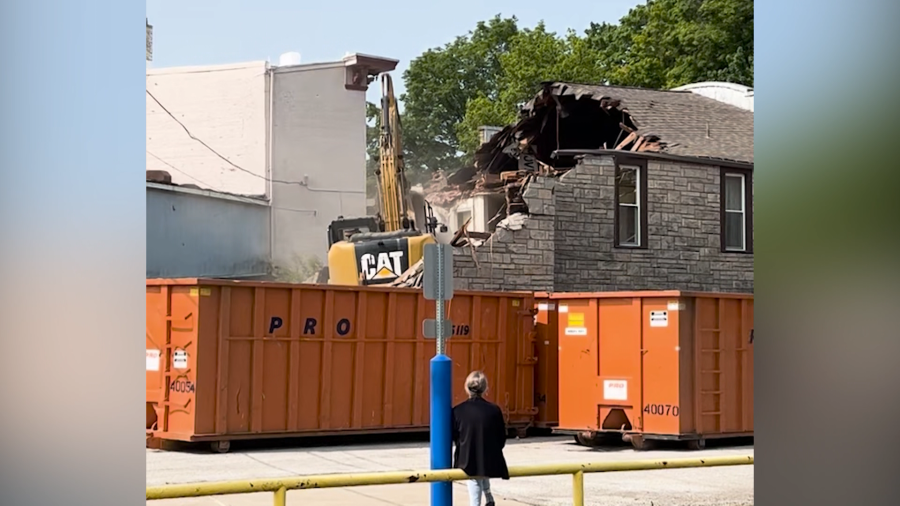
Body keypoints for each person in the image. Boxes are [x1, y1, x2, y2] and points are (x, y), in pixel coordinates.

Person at [452, 371, 509, 506]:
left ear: (466, 387)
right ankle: (488, 496)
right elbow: (501, 438)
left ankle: (478, 503)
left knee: (474, 477)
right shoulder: (495, 410)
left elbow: (455, 437)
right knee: (481, 464)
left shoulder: (457, 411)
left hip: (467, 458)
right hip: (490, 457)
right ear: (485, 388)